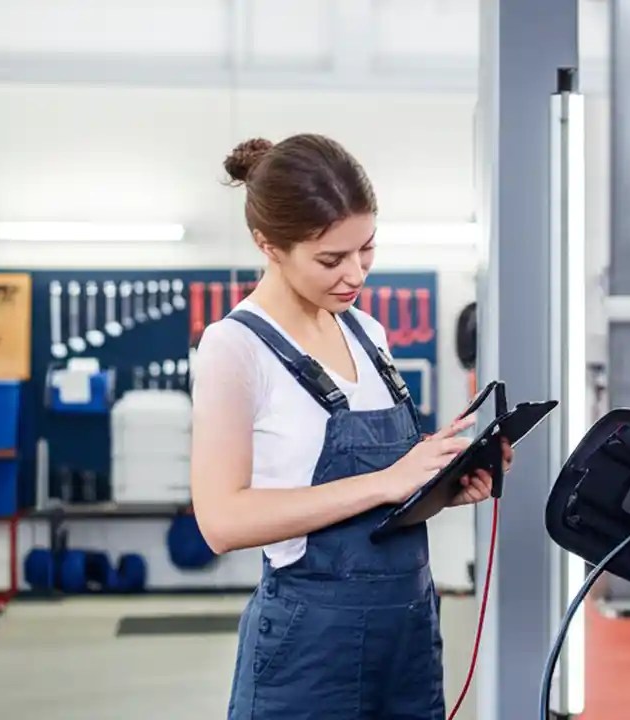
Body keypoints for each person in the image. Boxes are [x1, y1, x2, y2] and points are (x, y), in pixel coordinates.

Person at [190, 134, 509, 719]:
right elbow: (221, 520)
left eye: (366, 248)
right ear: (269, 246)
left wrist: (438, 482)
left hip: (408, 633)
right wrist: (388, 481)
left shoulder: (368, 334)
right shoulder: (234, 348)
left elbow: (380, 508)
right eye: (330, 259)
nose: (355, 273)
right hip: (309, 649)